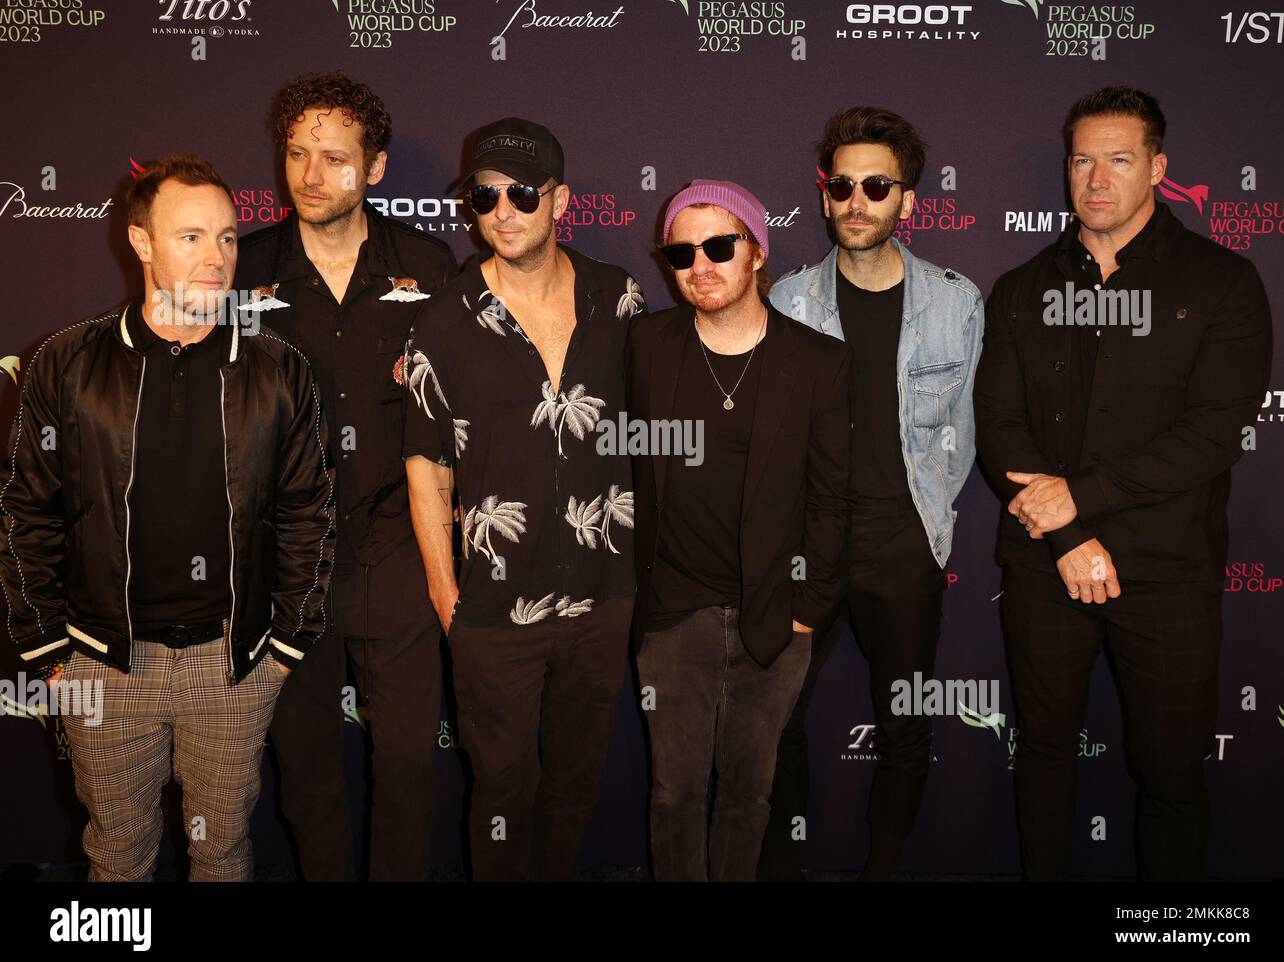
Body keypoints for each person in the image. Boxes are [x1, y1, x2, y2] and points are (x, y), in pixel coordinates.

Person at [0, 154, 335, 881]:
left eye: (227, 237)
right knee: (117, 854)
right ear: (142, 242)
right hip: (104, 662)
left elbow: (308, 513)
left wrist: (284, 648)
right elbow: (26, 511)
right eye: (190, 237)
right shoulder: (66, 361)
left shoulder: (279, 368)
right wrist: (48, 653)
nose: (216, 258)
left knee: (222, 854)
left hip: (231, 661)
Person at [974, 86, 1272, 880]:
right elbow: (1000, 427)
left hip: (1168, 573)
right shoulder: (1020, 288)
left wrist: (1083, 498)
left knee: (1171, 772)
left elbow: (1213, 432)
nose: (1096, 179)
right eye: (1081, 160)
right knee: (1040, 757)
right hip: (1045, 564)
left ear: (1159, 168)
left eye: (1118, 160)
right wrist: (1069, 533)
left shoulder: (1222, 284)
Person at [403, 117, 644, 881]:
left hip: (604, 601)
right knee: (502, 791)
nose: (502, 210)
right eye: (483, 195)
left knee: (574, 785)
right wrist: (447, 595)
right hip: (491, 614)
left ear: (561, 199)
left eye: (522, 192)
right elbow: (425, 464)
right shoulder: (443, 319)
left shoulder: (620, 297)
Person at [233, 72, 456, 882]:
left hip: (399, 546)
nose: (310, 176)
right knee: (306, 773)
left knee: (406, 766)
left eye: (333, 157)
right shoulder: (243, 266)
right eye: (297, 154)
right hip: (284, 559)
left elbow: (461, 414)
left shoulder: (428, 262)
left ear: (378, 167)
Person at [763, 108, 984, 880]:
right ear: (824, 197)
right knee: (774, 720)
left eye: (876, 185)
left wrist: (926, 526)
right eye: (843, 185)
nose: (857, 200)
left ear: (907, 202)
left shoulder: (958, 304)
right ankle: (783, 865)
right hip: (805, 548)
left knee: (905, 726)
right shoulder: (787, 301)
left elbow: (961, 435)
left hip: (903, 545)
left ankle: (882, 869)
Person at [626, 179, 851, 881]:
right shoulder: (643, 344)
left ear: (757, 250)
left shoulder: (818, 361)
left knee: (750, 795)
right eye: (682, 251)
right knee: (674, 793)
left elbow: (832, 496)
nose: (702, 264)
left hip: (774, 613)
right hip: (671, 612)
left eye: (720, 245)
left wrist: (808, 608)